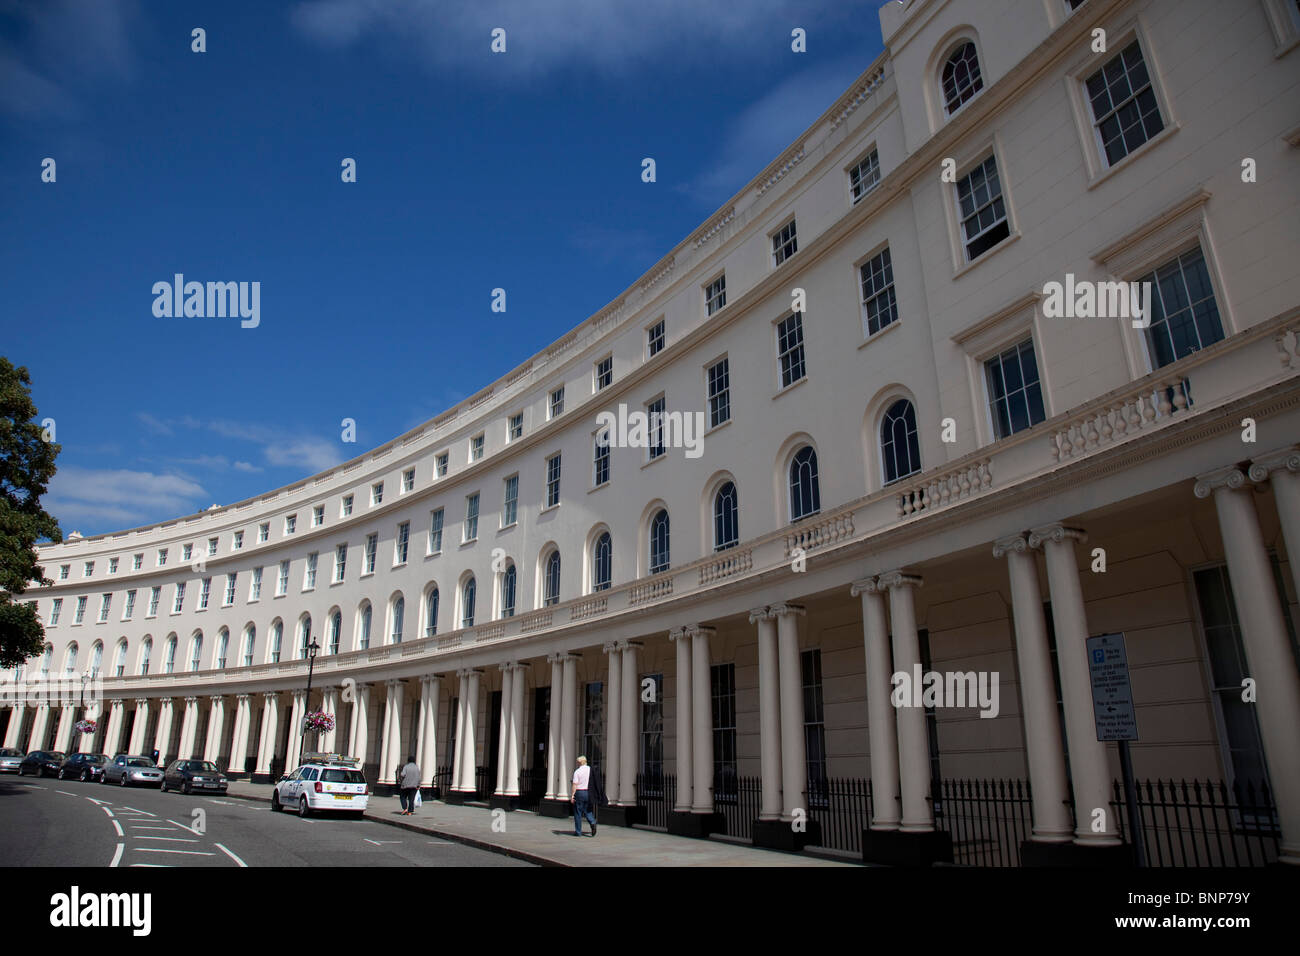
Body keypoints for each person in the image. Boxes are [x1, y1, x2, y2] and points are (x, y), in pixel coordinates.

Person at [571, 755, 597, 837]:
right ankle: (592, 822)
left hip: (579, 792)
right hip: (588, 792)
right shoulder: (590, 770)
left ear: (579, 762)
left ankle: (578, 832)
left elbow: (575, 784)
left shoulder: (577, 771)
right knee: (588, 810)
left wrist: (572, 795)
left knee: (578, 812)